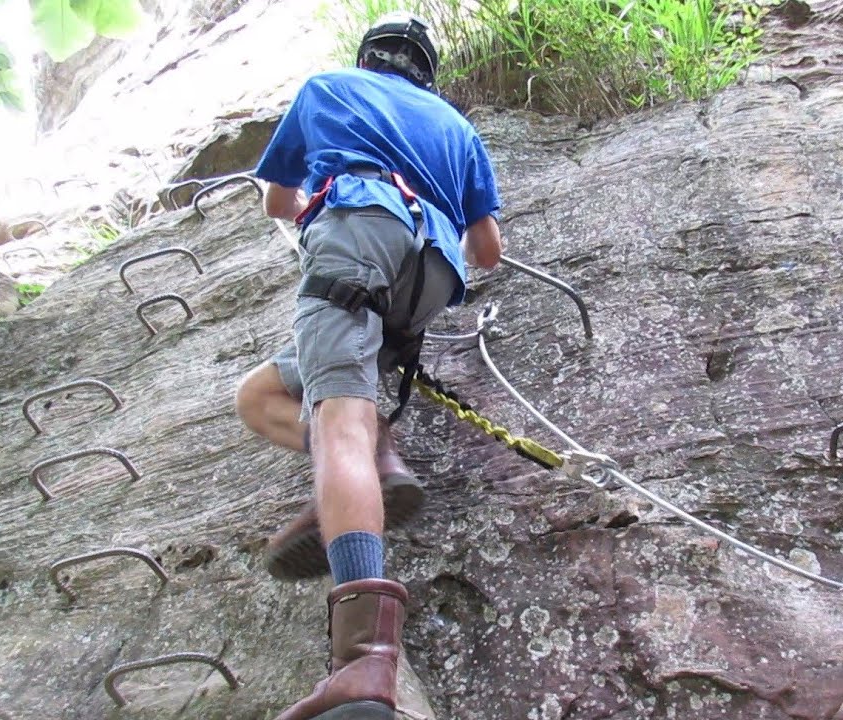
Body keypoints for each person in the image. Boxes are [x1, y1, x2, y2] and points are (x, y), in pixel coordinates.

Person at [233, 11, 504, 720]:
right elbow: (489, 252)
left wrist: (311, 219)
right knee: (261, 396)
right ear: (426, 69)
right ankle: (370, 460)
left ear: (369, 56)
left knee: (340, 426)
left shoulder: (328, 87)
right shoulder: (456, 127)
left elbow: (277, 199)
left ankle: (362, 665)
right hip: (429, 280)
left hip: (355, 234)